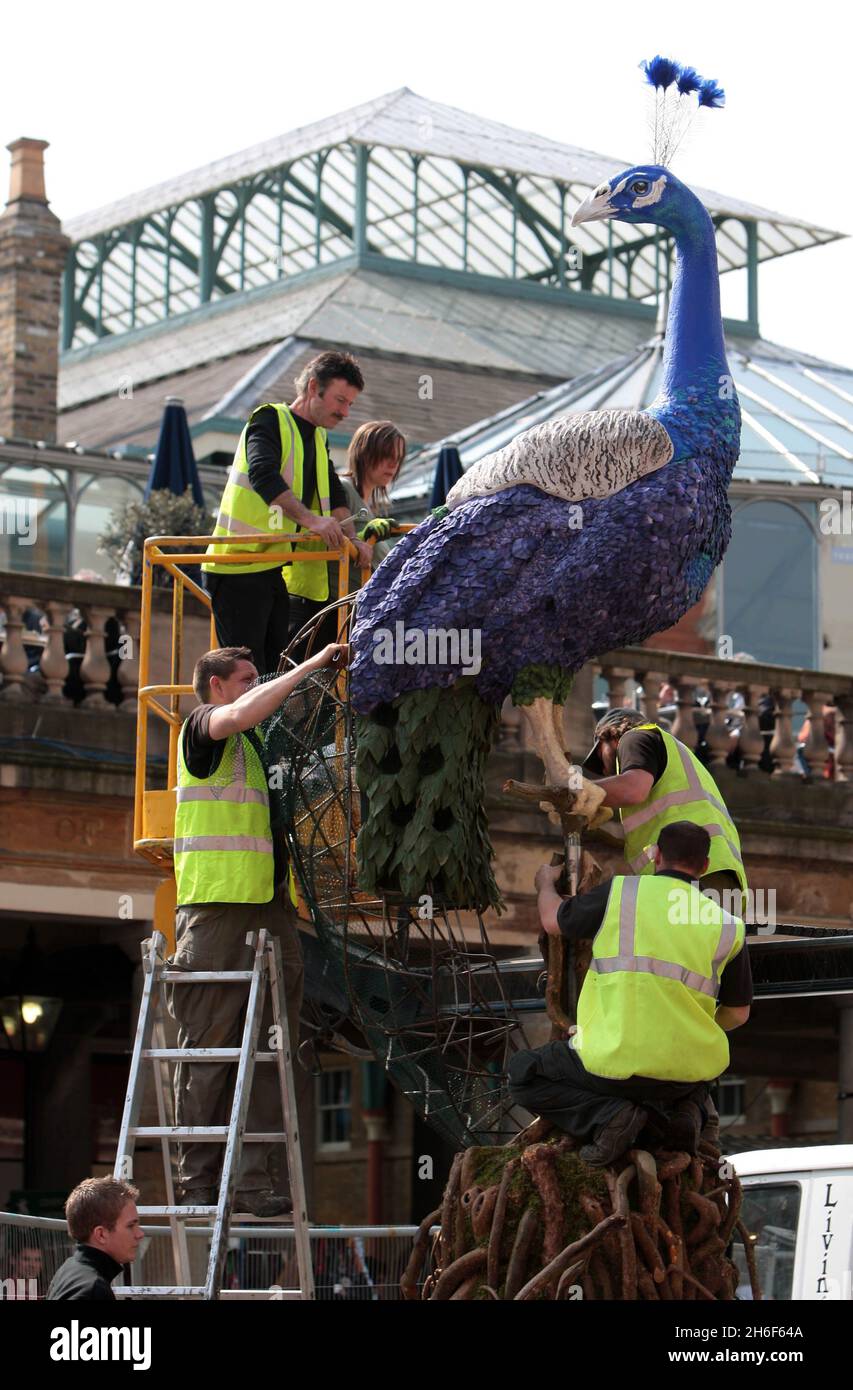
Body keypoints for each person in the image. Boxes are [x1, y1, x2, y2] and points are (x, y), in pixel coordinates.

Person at [166, 640, 347, 1217]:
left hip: (268, 909)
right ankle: (198, 1180)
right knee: (211, 1047)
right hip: (215, 910)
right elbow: (244, 712)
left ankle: (253, 1180)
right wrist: (313, 664)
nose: (252, 685)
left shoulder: (253, 744)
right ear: (216, 686)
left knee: (275, 1045)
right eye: (244, 678)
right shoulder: (204, 728)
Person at [509, 822, 752, 1166]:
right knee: (690, 1088)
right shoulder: (728, 925)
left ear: (655, 856)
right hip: (685, 1076)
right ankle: (683, 1119)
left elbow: (553, 921)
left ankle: (609, 1117)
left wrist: (545, 884)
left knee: (525, 1073)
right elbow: (738, 1014)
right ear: (705, 866)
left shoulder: (623, 893)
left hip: (612, 1067)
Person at [202, 350, 372, 674]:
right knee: (244, 675)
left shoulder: (319, 437)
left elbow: (334, 491)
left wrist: (353, 540)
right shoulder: (268, 419)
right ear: (312, 388)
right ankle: (235, 727)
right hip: (235, 565)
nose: (345, 412)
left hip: (270, 569)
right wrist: (311, 521)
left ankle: (259, 727)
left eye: (350, 403)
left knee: (270, 676)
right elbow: (263, 474)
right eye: (340, 400)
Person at [582, 706, 746, 911]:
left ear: (610, 736)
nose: (605, 770)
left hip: (692, 877)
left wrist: (581, 791)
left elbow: (634, 789)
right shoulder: (674, 752)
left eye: (600, 758)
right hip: (715, 877)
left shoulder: (634, 738)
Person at [288, 420, 406, 659]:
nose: (393, 463)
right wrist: (363, 538)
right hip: (331, 609)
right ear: (364, 453)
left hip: (352, 613)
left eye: (398, 457)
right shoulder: (342, 489)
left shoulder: (369, 505)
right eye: (386, 454)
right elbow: (333, 537)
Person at [46, 1177, 143, 1300]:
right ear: (101, 1234)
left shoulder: (69, 1269)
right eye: (130, 1226)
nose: (140, 1234)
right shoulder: (94, 1289)